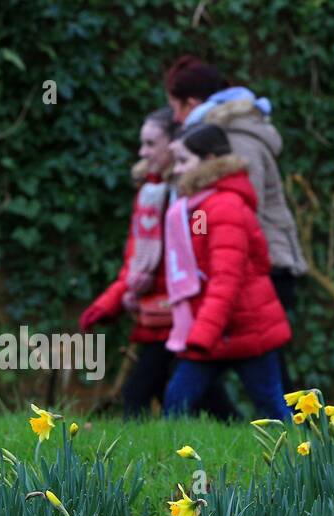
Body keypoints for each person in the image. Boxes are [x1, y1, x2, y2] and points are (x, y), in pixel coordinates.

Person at [79, 108, 236, 420]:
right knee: (190, 394)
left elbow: (200, 256)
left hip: (177, 313)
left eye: (151, 144)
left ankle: (141, 456)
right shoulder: (151, 194)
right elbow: (137, 260)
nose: (142, 152)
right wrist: (113, 299)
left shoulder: (192, 199)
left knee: (152, 393)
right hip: (161, 312)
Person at [161, 123, 292, 421]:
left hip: (244, 326)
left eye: (183, 161)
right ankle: (170, 460)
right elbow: (200, 261)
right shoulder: (201, 207)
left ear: (209, 161)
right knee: (177, 402)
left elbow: (225, 278)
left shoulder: (224, 207)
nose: (177, 170)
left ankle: (305, 462)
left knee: (271, 407)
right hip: (220, 326)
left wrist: (203, 330)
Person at [164, 56, 307, 314]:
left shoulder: (236, 138)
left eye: (176, 107)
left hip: (262, 272)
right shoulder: (213, 136)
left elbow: (242, 211)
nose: (174, 117)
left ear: (192, 103)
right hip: (240, 270)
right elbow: (201, 207)